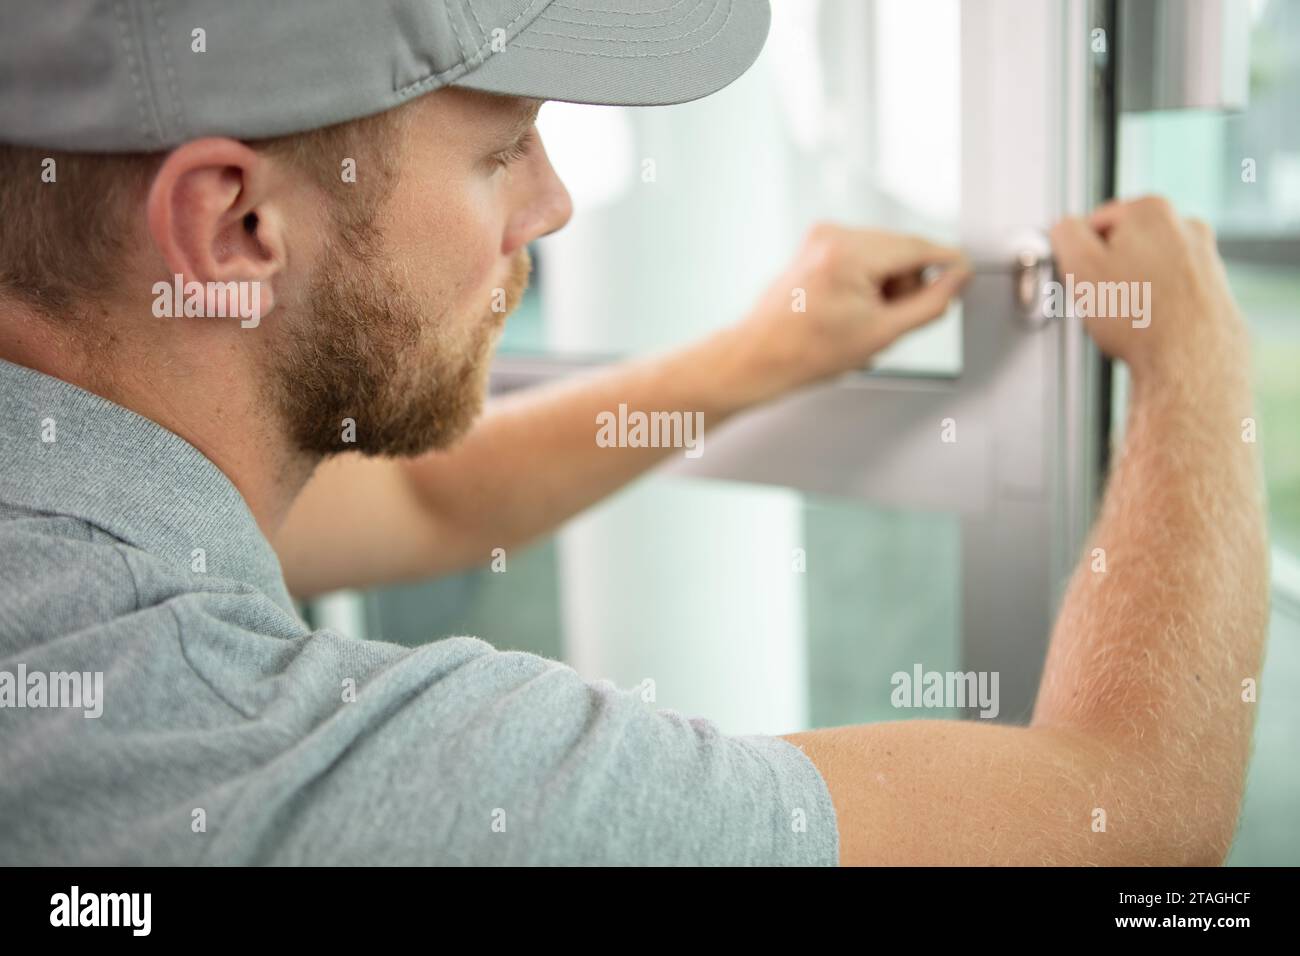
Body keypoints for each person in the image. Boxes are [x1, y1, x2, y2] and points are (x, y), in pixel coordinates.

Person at [0, 1, 1267, 865]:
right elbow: (1139, 809)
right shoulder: (266, 754)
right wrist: (1200, 364)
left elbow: (438, 504)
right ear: (232, 228)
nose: (550, 203)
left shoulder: (68, 496)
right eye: (502, 150)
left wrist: (765, 351)